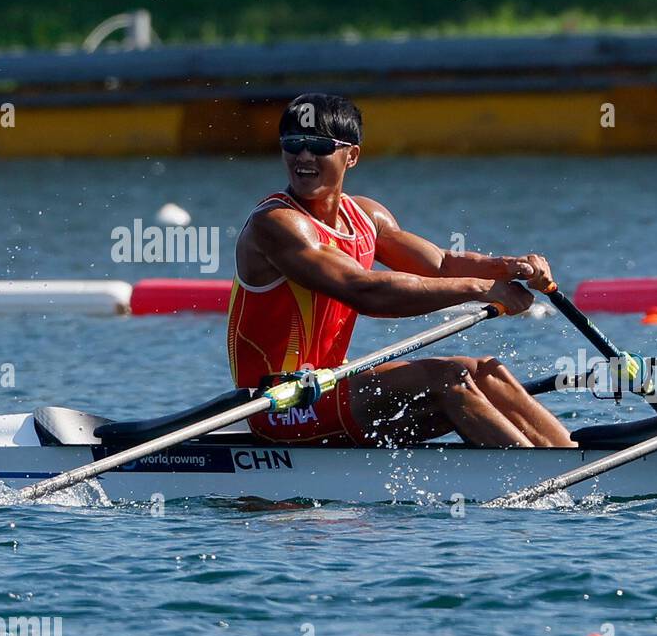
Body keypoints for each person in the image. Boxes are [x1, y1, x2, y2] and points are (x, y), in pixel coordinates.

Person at [230, 93, 574, 448]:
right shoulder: (276, 223)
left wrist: (511, 267)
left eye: (318, 145)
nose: (303, 156)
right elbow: (363, 291)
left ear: (352, 156)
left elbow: (441, 264)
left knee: (484, 370)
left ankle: (569, 456)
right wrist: (480, 289)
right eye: (293, 144)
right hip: (275, 404)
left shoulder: (366, 216)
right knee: (448, 377)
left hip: (328, 389)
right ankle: (540, 484)